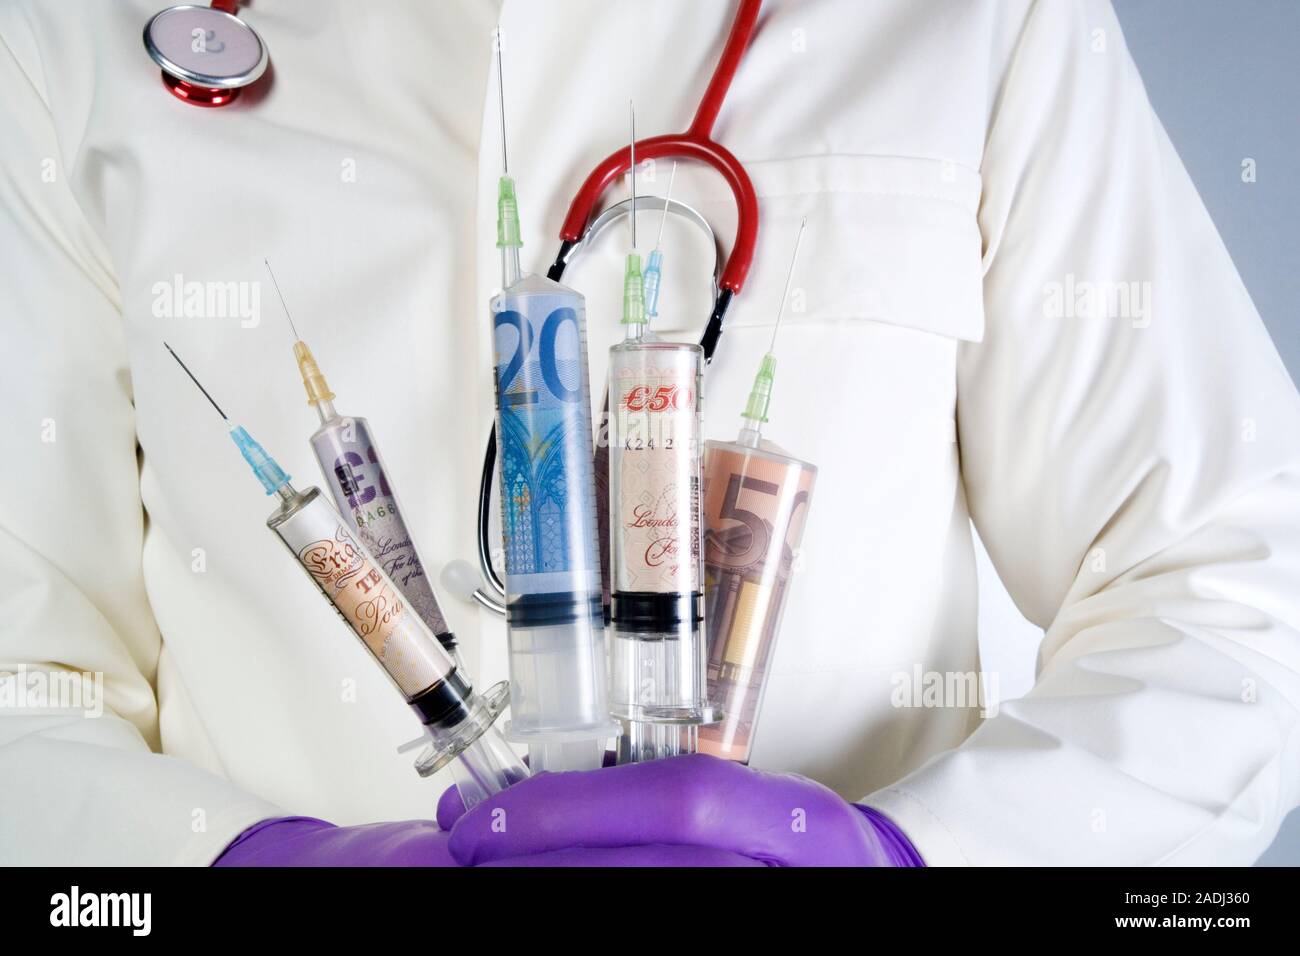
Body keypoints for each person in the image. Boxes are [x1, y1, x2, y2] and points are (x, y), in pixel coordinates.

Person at [2, 0, 1297, 867]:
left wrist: (904, 860)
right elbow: (24, 691)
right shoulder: (70, 33)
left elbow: (1245, 591)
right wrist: (244, 864)